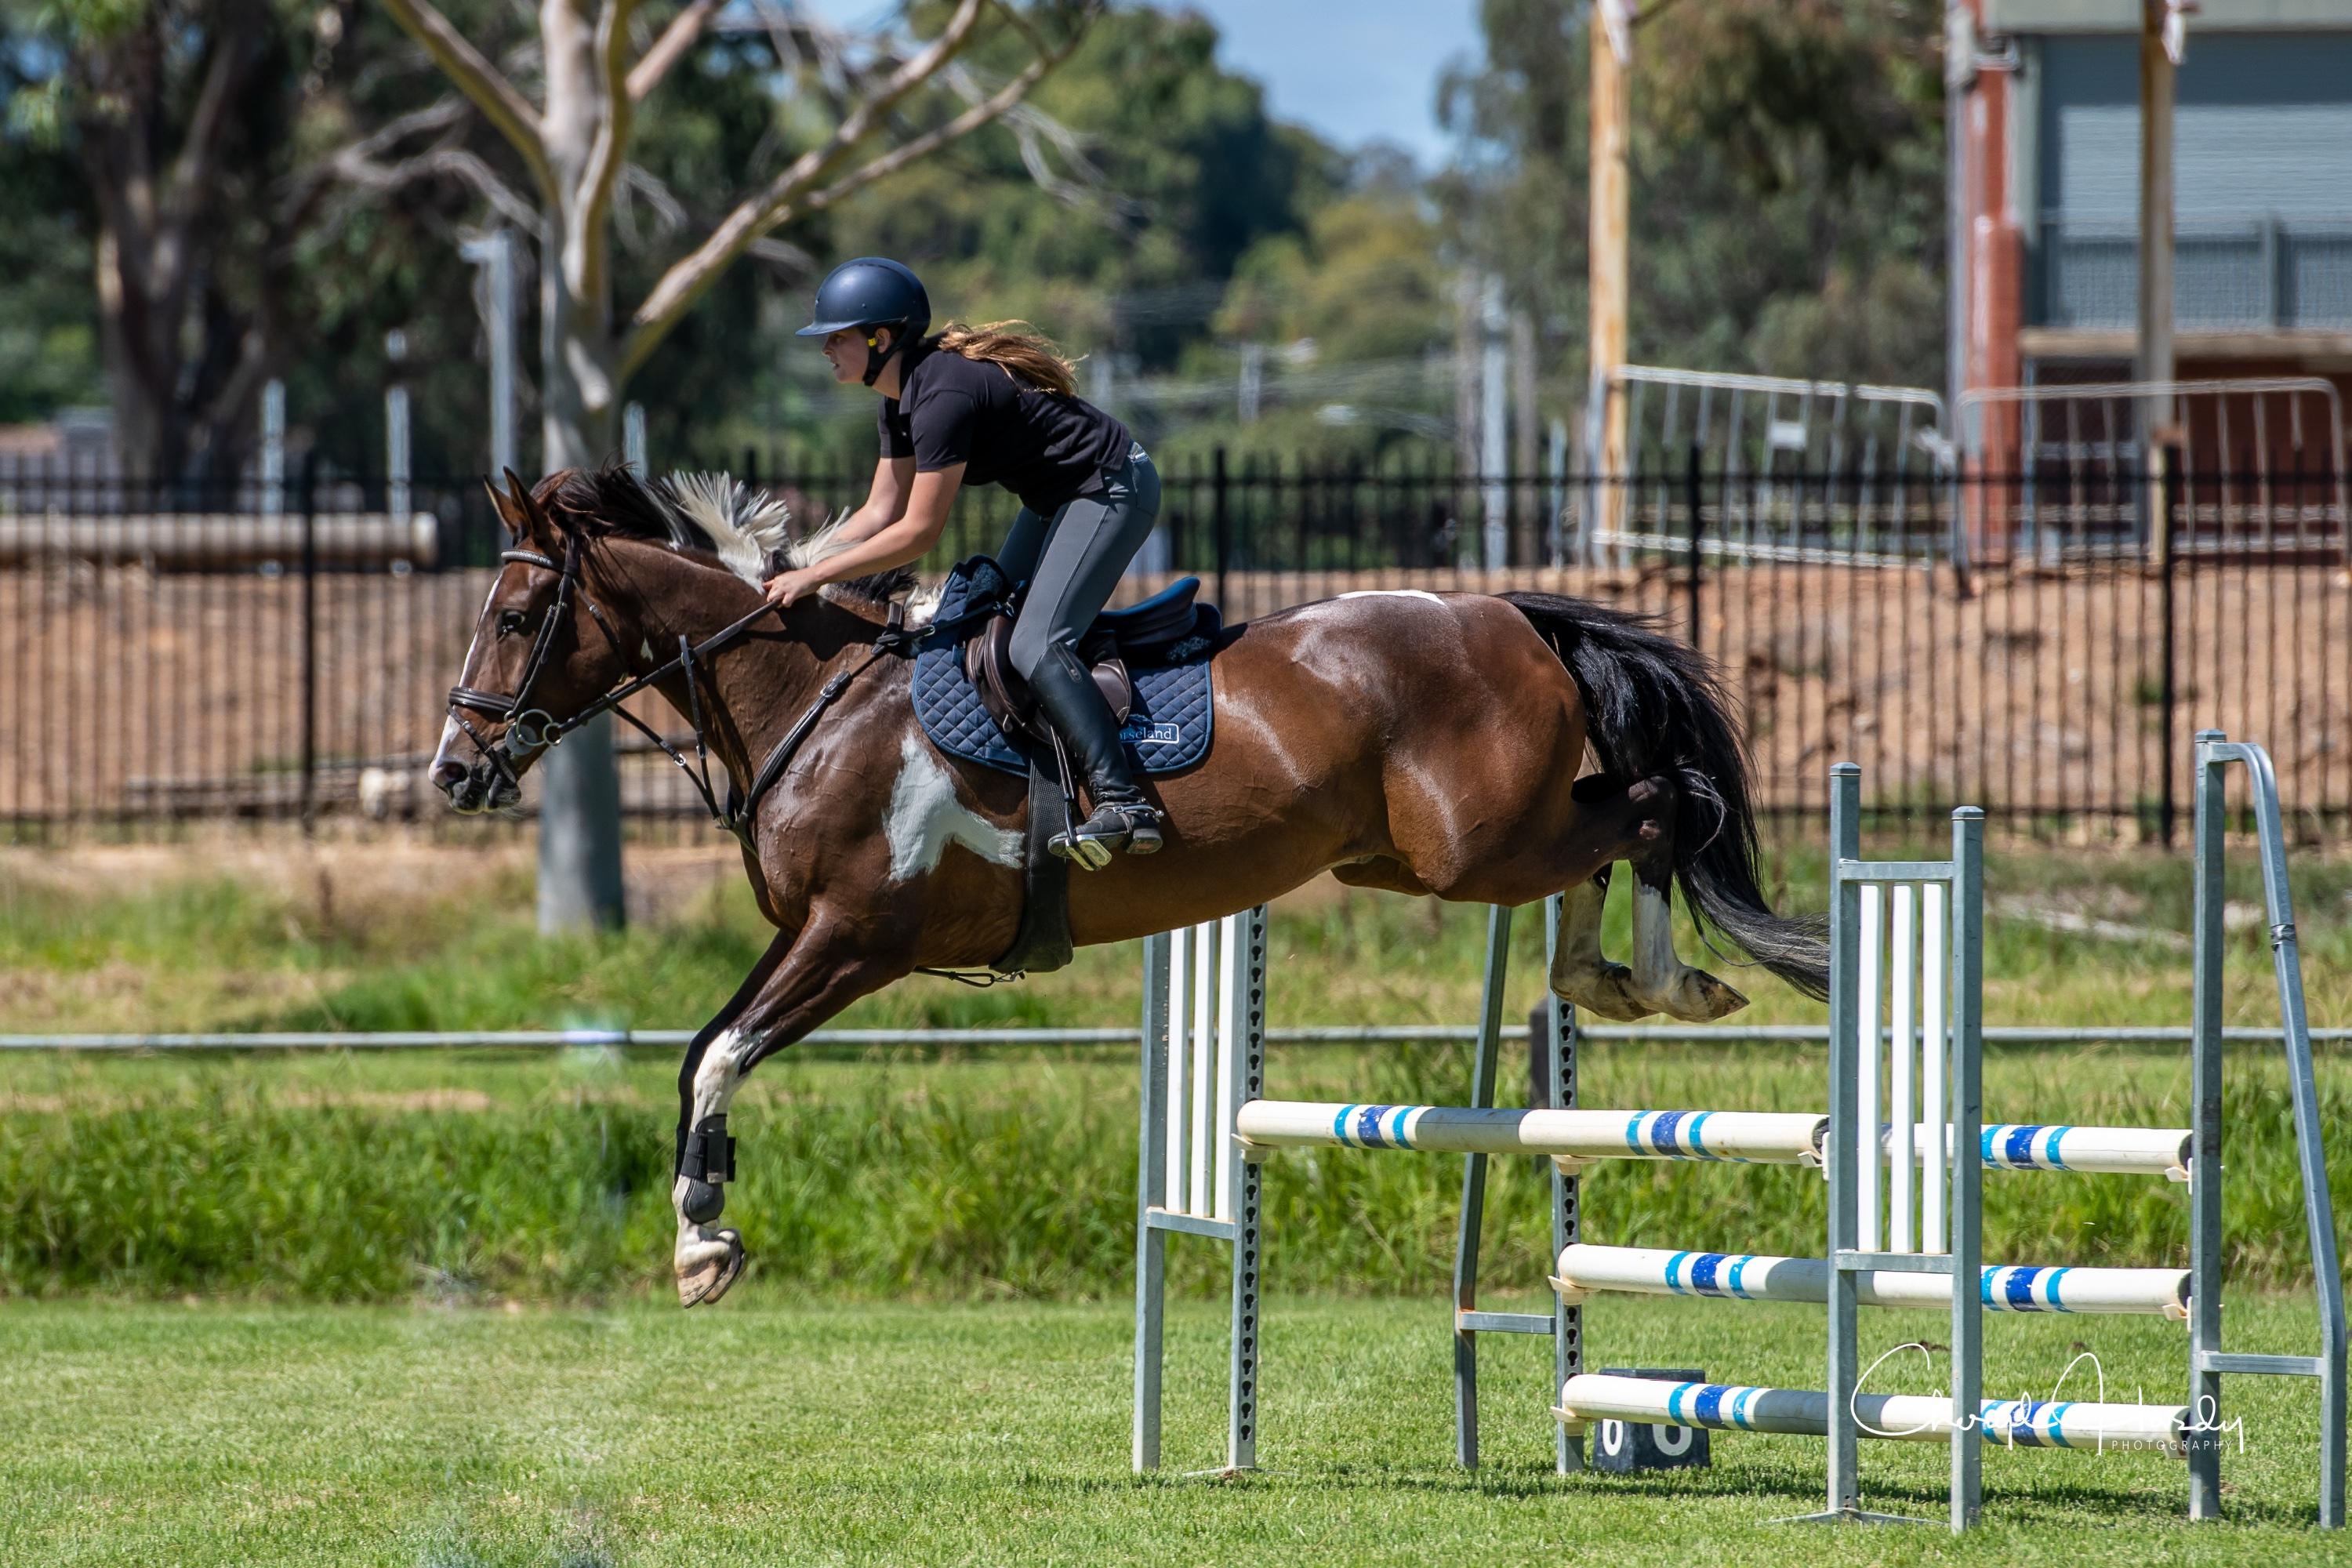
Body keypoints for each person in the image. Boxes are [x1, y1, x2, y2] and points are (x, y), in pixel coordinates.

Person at [763, 257, 1166, 866]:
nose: (826, 349)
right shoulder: (896, 399)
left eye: (837, 337)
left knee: (1036, 644)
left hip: (1110, 488)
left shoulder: (942, 395)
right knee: (982, 612)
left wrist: (816, 576)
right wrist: (799, 559)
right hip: (1058, 499)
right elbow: (878, 512)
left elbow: (919, 532)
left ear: (882, 338)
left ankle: (1123, 800)